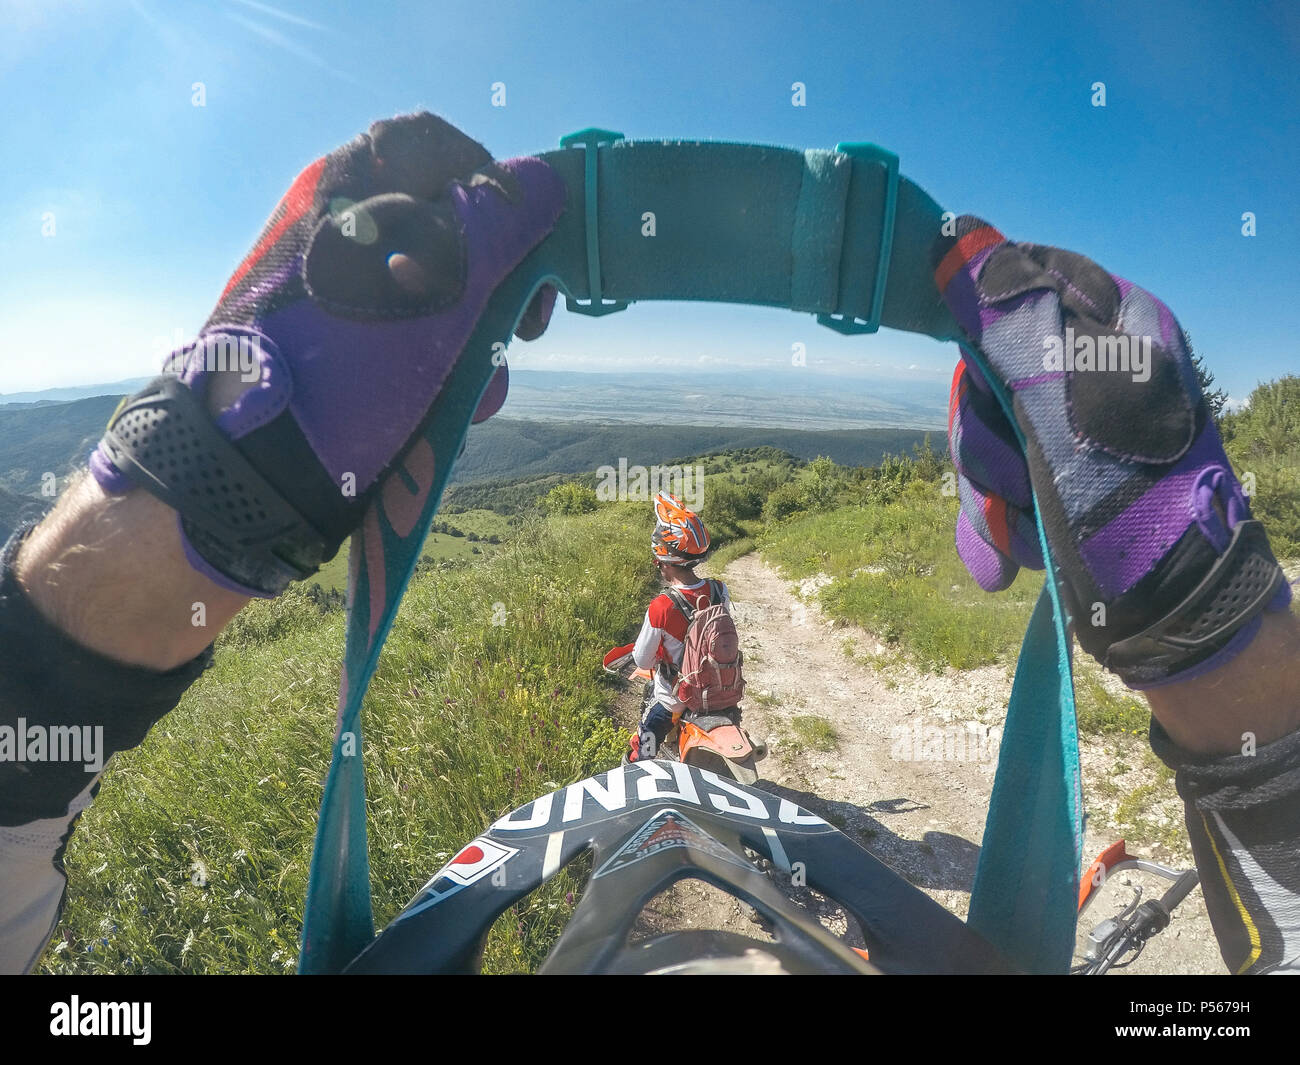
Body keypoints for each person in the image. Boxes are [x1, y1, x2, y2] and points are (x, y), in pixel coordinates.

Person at [1, 114, 1296, 974]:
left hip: (667, 727)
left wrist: (180, 501)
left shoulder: (681, 603)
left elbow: (649, 651)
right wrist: (1211, 637)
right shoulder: (716, 587)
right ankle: (1212, 639)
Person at [625, 492, 737, 762]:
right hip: (719, 691)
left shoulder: (661, 606)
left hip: (677, 699)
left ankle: (640, 770)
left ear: (665, 562)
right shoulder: (718, 590)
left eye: (657, 560)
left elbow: (642, 658)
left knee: (646, 736)